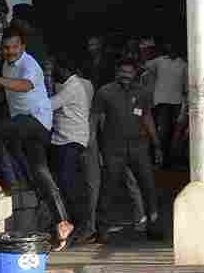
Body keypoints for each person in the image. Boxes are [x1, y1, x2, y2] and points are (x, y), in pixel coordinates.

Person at [0, 28, 74, 249]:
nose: (10, 51)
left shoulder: (29, 64)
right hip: (27, 125)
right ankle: (62, 221)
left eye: (15, 47)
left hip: (35, 121)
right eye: (6, 48)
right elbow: (3, 95)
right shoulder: (7, 66)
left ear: (22, 47)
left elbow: (25, 86)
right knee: (41, 172)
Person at [93, 57, 163, 239]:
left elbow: (147, 118)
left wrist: (156, 145)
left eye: (129, 72)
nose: (125, 75)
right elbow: (96, 121)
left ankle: (153, 226)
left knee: (148, 186)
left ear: (135, 74)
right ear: (117, 73)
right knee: (109, 188)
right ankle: (102, 230)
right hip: (113, 147)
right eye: (122, 72)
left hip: (139, 146)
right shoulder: (105, 92)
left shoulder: (143, 92)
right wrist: (95, 147)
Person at [48, 55, 93, 242]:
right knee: (68, 182)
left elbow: (49, 105)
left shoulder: (72, 88)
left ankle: (78, 223)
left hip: (69, 140)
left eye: (54, 70)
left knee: (68, 183)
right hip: (68, 139)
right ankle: (75, 223)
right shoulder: (81, 84)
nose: (52, 74)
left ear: (64, 70)